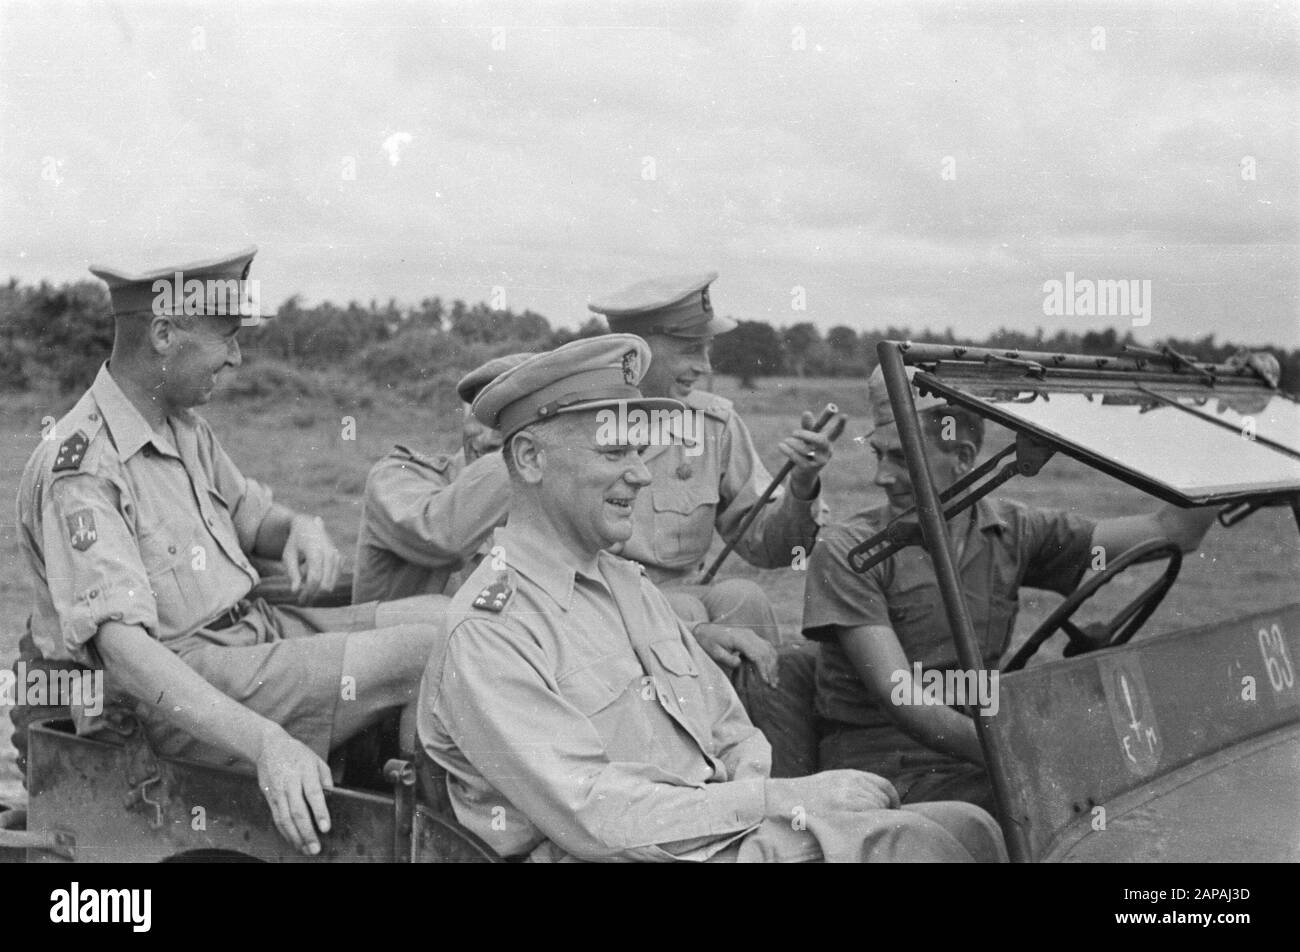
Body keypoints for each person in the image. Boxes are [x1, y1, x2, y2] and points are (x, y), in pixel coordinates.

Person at [415, 335, 1006, 863]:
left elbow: (730, 727)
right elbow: (594, 816)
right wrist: (777, 800)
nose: (642, 475)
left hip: (709, 835)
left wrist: (758, 806)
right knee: (911, 847)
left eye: (639, 453)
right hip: (617, 852)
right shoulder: (492, 628)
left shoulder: (625, 586)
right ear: (530, 459)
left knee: (970, 826)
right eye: (614, 453)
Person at [15, 247, 446, 856]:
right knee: (427, 652)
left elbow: (255, 519)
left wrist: (299, 527)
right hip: (171, 698)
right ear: (164, 334)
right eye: (226, 336)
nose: (237, 357)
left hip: (250, 638)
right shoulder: (83, 467)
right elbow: (127, 656)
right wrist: (266, 742)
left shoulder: (182, 425)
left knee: (449, 620)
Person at [801, 365, 1220, 811]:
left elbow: (1173, 530)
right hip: (881, 765)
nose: (881, 477)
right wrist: (1027, 759)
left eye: (901, 458)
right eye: (878, 456)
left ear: (962, 457)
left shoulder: (1011, 529)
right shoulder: (850, 550)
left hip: (975, 746)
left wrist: (1222, 428)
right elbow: (906, 701)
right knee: (1056, 808)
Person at [586, 273, 846, 686]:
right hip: (597, 607)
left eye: (706, 349)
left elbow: (771, 547)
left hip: (682, 596)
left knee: (744, 597)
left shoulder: (712, 424)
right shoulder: (576, 424)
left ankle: (762, 740)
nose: (704, 367)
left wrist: (801, 487)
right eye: (690, 348)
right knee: (685, 611)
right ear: (635, 351)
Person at [352, 352, 530, 603]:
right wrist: (523, 454)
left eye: (507, 420)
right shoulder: (397, 476)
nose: (490, 435)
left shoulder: (544, 503)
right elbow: (445, 536)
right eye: (483, 414)